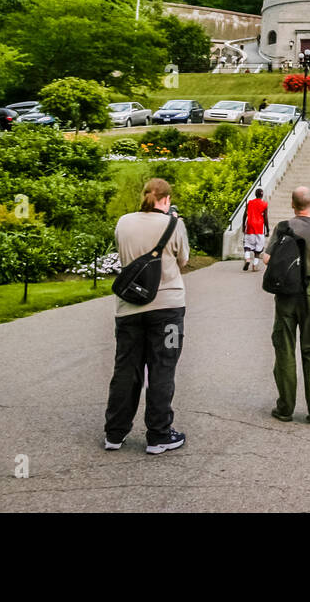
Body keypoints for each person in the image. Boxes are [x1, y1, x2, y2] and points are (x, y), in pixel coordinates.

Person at [104, 177, 190, 454]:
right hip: (168, 308)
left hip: (128, 309)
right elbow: (183, 260)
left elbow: (123, 254)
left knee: (126, 369)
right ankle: (159, 434)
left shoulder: (123, 222)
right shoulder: (175, 224)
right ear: (165, 199)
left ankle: (115, 433)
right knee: (163, 367)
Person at [262, 185, 310, 423]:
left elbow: (266, 259)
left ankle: (285, 408)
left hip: (285, 295)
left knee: (284, 348)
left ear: (292, 205)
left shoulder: (283, 227)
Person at [242, 188, 269, 272]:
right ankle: (255, 265)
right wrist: (267, 229)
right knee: (258, 247)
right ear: (262, 195)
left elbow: (244, 215)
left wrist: (243, 225)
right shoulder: (264, 204)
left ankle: (247, 259)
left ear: (255, 194)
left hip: (250, 225)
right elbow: (265, 217)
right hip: (259, 227)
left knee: (247, 245)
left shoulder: (250, 203)